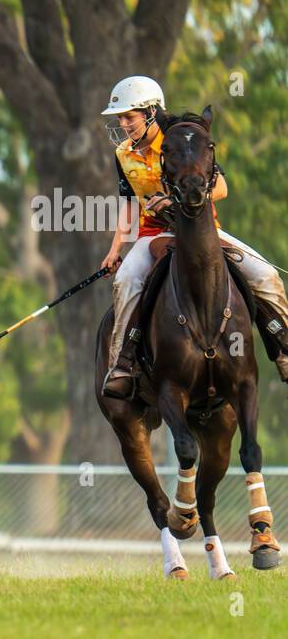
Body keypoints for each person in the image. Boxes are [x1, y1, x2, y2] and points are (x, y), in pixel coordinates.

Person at [99, 76, 288, 398]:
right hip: (153, 235)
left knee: (266, 274)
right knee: (126, 281)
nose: (123, 123)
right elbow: (129, 204)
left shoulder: (185, 141)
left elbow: (222, 188)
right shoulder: (123, 154)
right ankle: (121, 365)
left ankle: (282, 346)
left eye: (129, 116)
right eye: (120, 117)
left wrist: (174, 200)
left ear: (151, 112)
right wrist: (116, 248)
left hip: (203, 232)